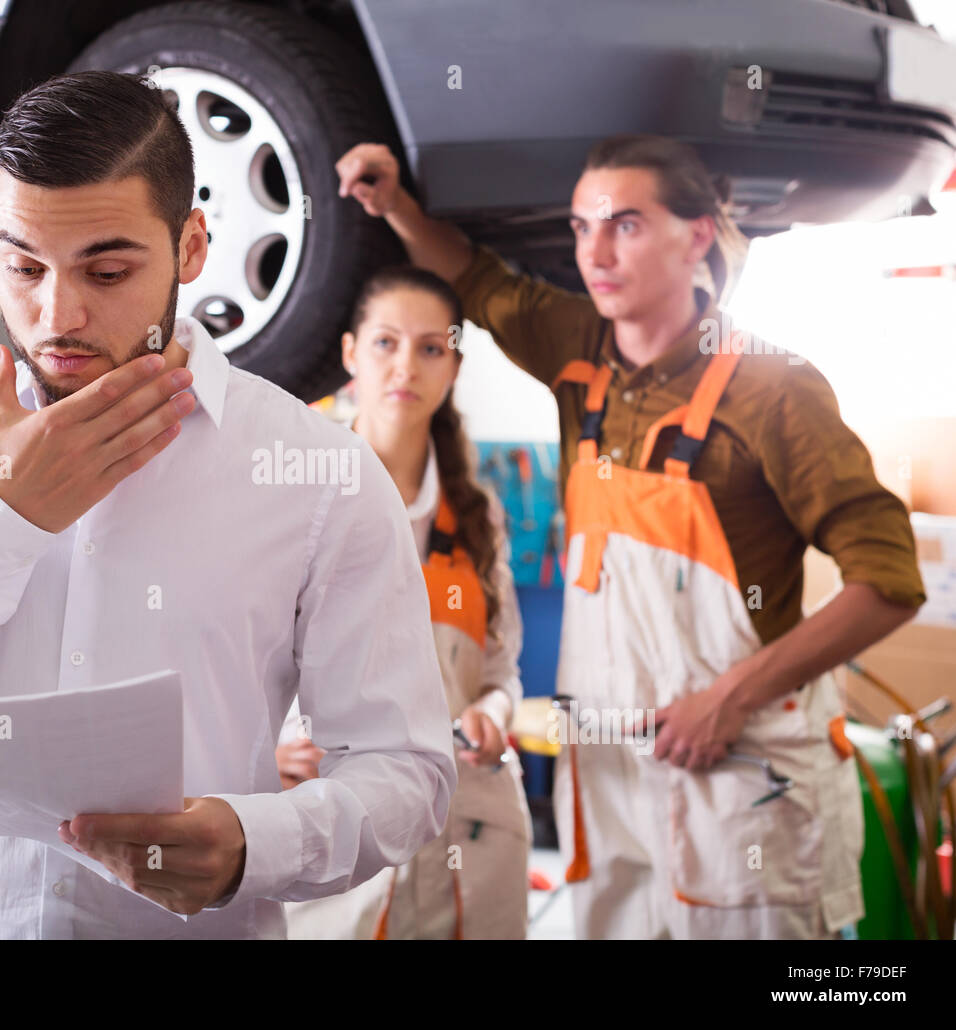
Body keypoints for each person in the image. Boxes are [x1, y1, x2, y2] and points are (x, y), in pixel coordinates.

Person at [0, 71, 457, 940]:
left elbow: (408, 772)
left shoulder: (317, 475)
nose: (58, 315)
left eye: (108, 268)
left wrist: (251, 843)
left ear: (192, 247)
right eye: (22, 267)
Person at [333, 134, 927, 939]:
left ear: (697, 236)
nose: (595, 252)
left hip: (741, 781)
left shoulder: (774, 391)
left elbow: (888, 580)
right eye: (581, 227)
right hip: (611, 786)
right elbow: (474, 275)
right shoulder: (580, 349)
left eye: (626, 225)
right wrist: (394, 203)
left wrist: (728, 699)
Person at [276, 266, 532, 939]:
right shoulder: (292, 500)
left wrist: (492, 711)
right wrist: (271, 750)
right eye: (385, 343)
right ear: (349, 353)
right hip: (332, 831)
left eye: (430, 348)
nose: (405, 367)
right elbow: (231, 664)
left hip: (470, 833)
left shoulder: (477, 519)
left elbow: (503, 673)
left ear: (454, 365)